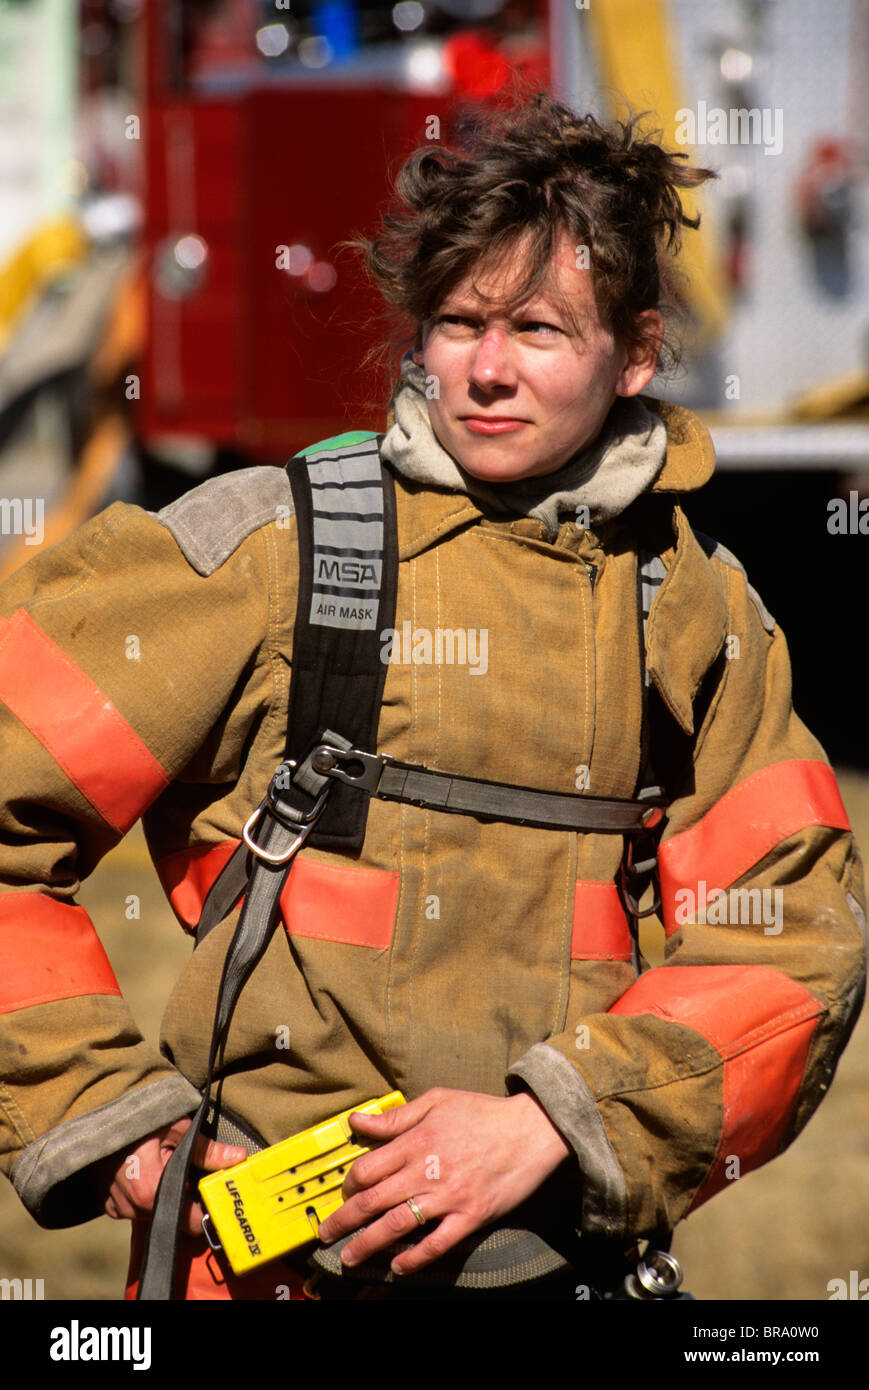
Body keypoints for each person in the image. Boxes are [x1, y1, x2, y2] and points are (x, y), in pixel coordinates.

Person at [0, 95, 864, 1302]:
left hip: (562, 1266)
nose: (489, 368)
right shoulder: (270, 553)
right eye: (457, 323)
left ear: (636, 352)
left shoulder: (689, 606)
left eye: (537, 329)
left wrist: (553, 1122)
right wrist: (113, 1128)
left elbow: (791, 929)